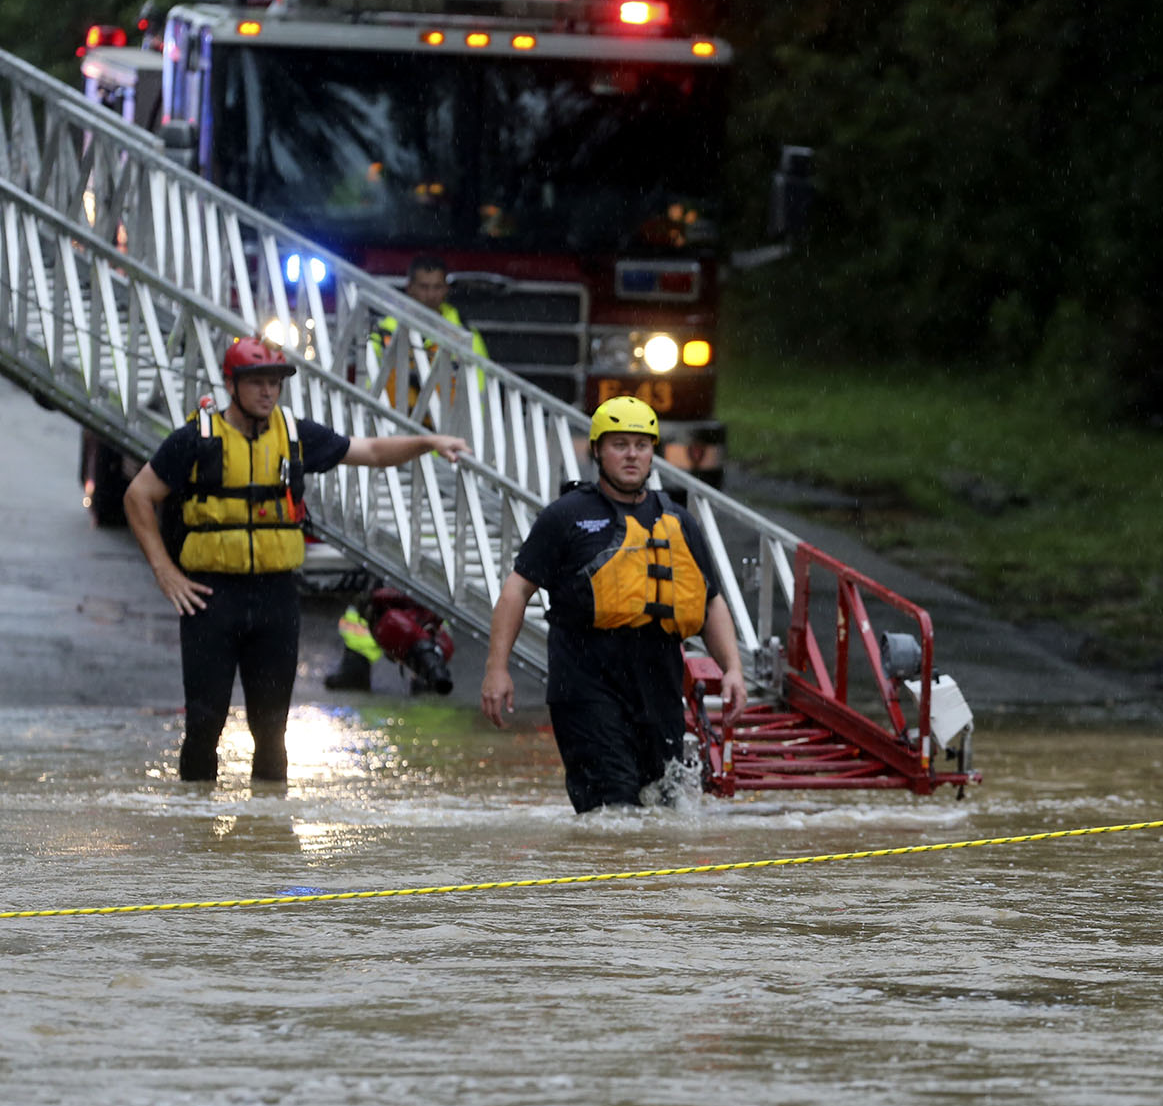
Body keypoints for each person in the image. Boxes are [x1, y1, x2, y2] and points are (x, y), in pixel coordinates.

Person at [123, 337, 469, 782]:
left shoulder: (296, 435)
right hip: (212, 598)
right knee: (204, 724)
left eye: (274, 384)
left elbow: (373, 452)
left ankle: (269, 843)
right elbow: (138, 496)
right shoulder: (197, 439)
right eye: (257, 383)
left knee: (271, 731)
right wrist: (165, 572)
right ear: (232, 384)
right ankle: (198, 840)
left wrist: (428, 441)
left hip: (276, 600)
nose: (268, 392)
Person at [481, 396, 747, 812]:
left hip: (657, 686)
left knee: (666, 808)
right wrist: (497, 669)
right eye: (619, 444)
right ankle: (607, 878)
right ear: (597, 451)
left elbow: (710, 601)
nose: (631, 455)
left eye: (641, 445)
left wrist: (732, 669)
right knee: (613, 811)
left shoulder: (678, 521)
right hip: (586, 684)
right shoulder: (566, 516)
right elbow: (517, 590)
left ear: (653, 453)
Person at [327, 255, 488, 692]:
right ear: (409, 288)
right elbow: (372, 386)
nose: (430, 295)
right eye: (423, 287)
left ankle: (426, 661)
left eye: (438, 287)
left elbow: (475, 393)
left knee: (435, 571)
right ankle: (357, 663)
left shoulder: (463, 336)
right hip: (391, 457)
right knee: (375, 565)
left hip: (443, 464)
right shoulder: (386, 329)